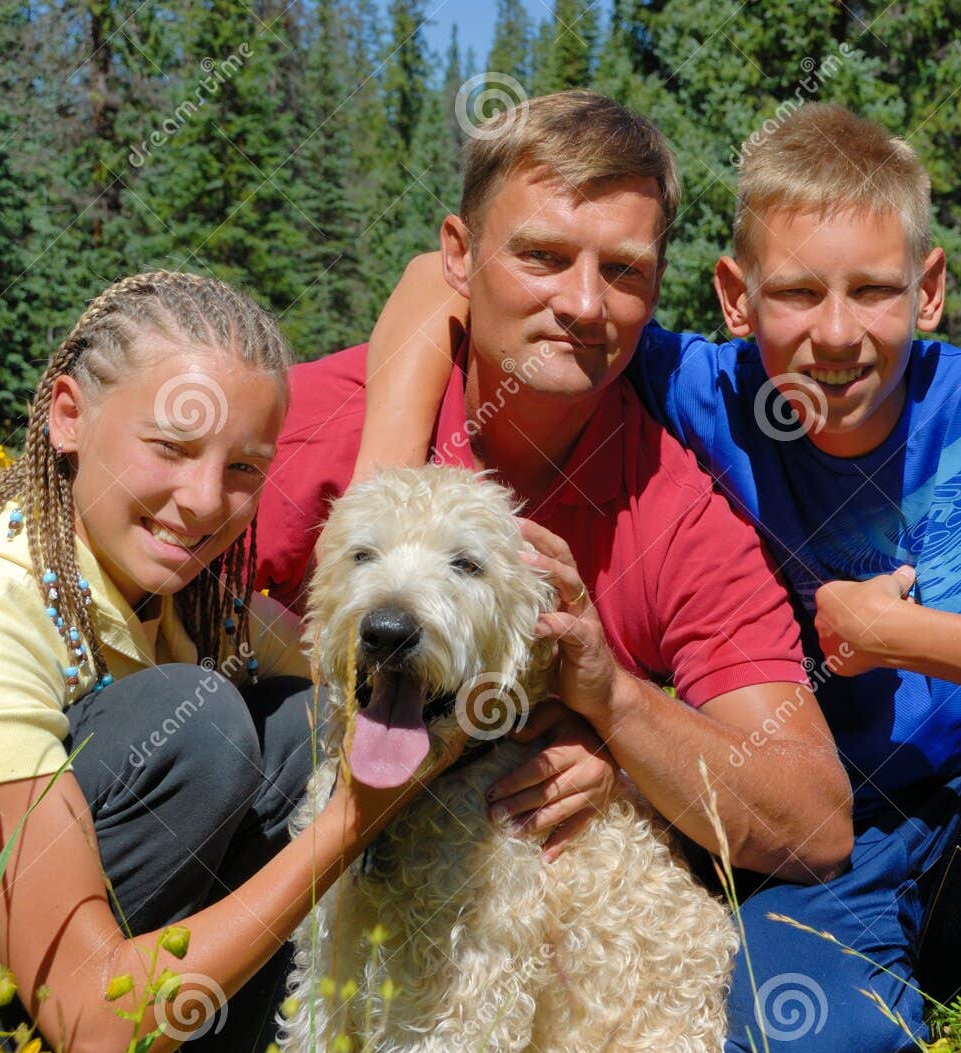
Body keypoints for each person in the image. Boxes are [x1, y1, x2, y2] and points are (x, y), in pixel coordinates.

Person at [359, 101, 961, 1053]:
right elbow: (430, 282)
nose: (837, 334)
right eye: (796, 294)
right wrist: (379, 508)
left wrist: (906, 638)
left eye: (874, 291)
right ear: (736, 299)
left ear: (929, 289)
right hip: (827, 854)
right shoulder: (694, 385)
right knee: (791, 1052)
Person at [251, 90, 853, 880]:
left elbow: (815, 825)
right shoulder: (310, 427)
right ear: (460, 256)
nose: (581, 304)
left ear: (660, 283)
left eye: (624, 270)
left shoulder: (672, 509)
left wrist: (619, 716)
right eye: (541, 255)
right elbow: (142, 624)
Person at [0, 272, 437, 1053]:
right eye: (171, 447)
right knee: (197, 722)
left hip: (53, 980)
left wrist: (576, 721)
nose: (202, 501)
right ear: (68, 416)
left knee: (306, 727)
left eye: (242, 469)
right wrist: (349, 820)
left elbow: (354, 664)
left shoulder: (192, 599)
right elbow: (96, 1025)